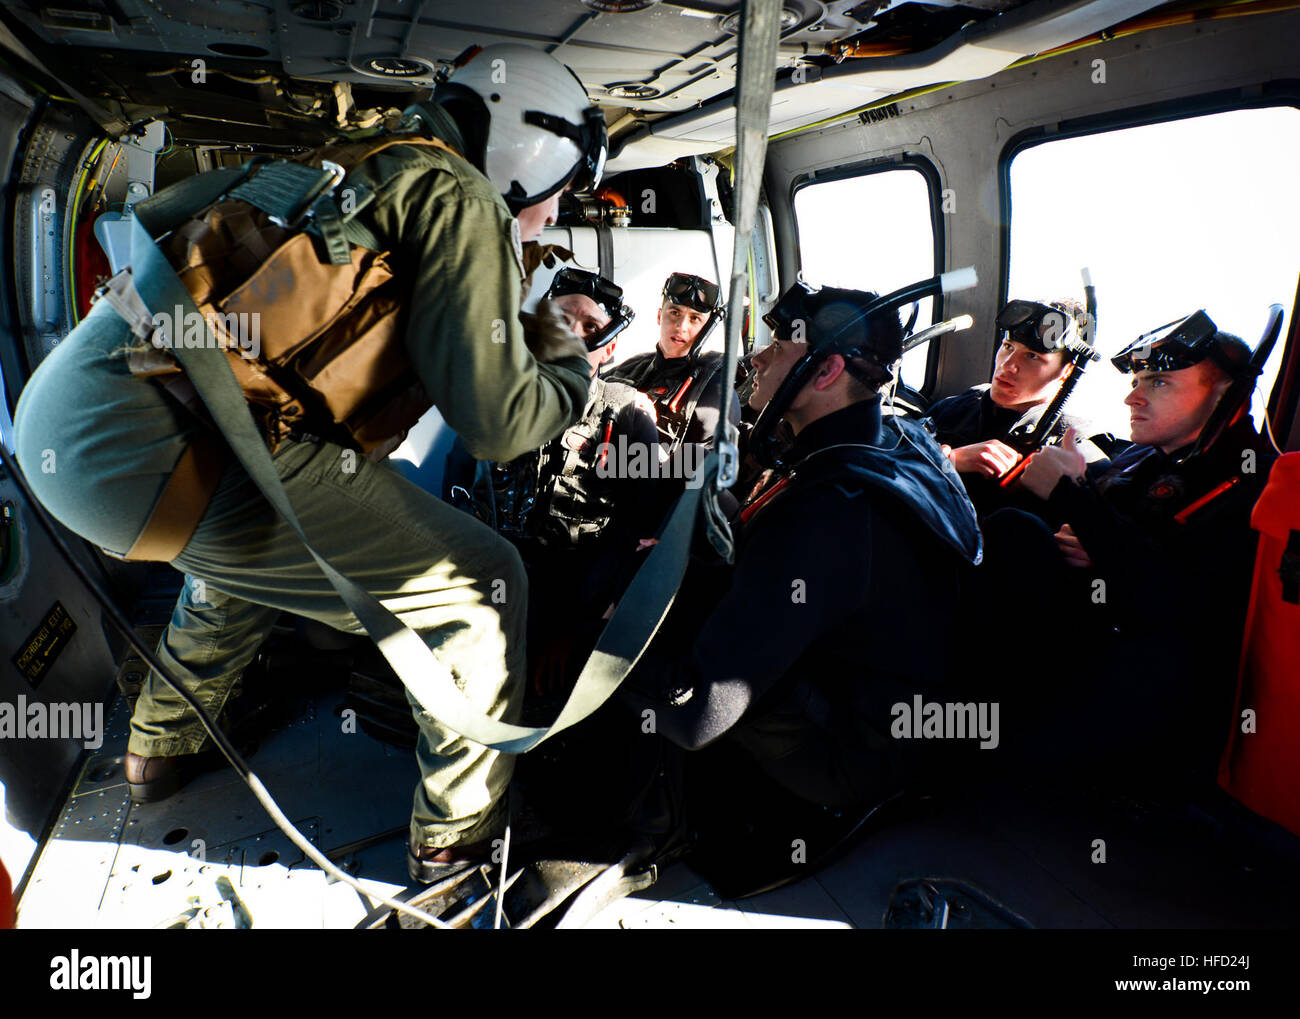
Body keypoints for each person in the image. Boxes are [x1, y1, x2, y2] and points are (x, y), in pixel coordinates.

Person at [13, 43, 607, 884]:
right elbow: (502, 425)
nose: (549, 216)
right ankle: (456, 848)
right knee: (482, 579)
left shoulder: (354, 161)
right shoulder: (459, 190)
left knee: (244, 558)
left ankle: (160, 750)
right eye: (559, 194)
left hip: (70, 428)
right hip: (168, 448)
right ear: (530, 152)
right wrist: (568, 352)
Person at [622, 282, 982, 814]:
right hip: (893, 706)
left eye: (777, 346)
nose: (758, 358)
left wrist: (614, 642)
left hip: (852, 757)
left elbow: (696, 715)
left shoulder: (826, 508)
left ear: (826, 371)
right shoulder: (897, 438)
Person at [1002, 309, 1275, 788]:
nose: (1133, 396)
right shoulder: (1142, 458)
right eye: (1137, 380)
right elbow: (1110, 537)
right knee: (1013, 531)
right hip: (1081, 642)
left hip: (1149, 684)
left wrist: (1074, 500)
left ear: (1226, 394)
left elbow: (1179, 606)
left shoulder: (1252, 483)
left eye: (1160, 382)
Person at [444, 268, 662, 693]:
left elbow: (635, 528)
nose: (573, 335)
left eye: (591, 327)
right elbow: (457, 486)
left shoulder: (628, 414)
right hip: (489, 575)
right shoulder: (496, 396)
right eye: (562, 320)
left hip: (574, 590)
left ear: (609, 346)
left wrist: (574, 628)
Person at [926, 298, 1096, 514]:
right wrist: (947, 461)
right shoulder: (956, 408)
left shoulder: (1075, 449)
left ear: (1067, 372)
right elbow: (887, 462)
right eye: (1008, 347)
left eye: (1032, 356)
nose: (1008, 366)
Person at [606, 272, 741, 453]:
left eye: (695, 318)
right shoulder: (630, 368)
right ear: (659, 316)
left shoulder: (715, 393)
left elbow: (705, 472)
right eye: (675, 313)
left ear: (707, 328)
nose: (681, 327)